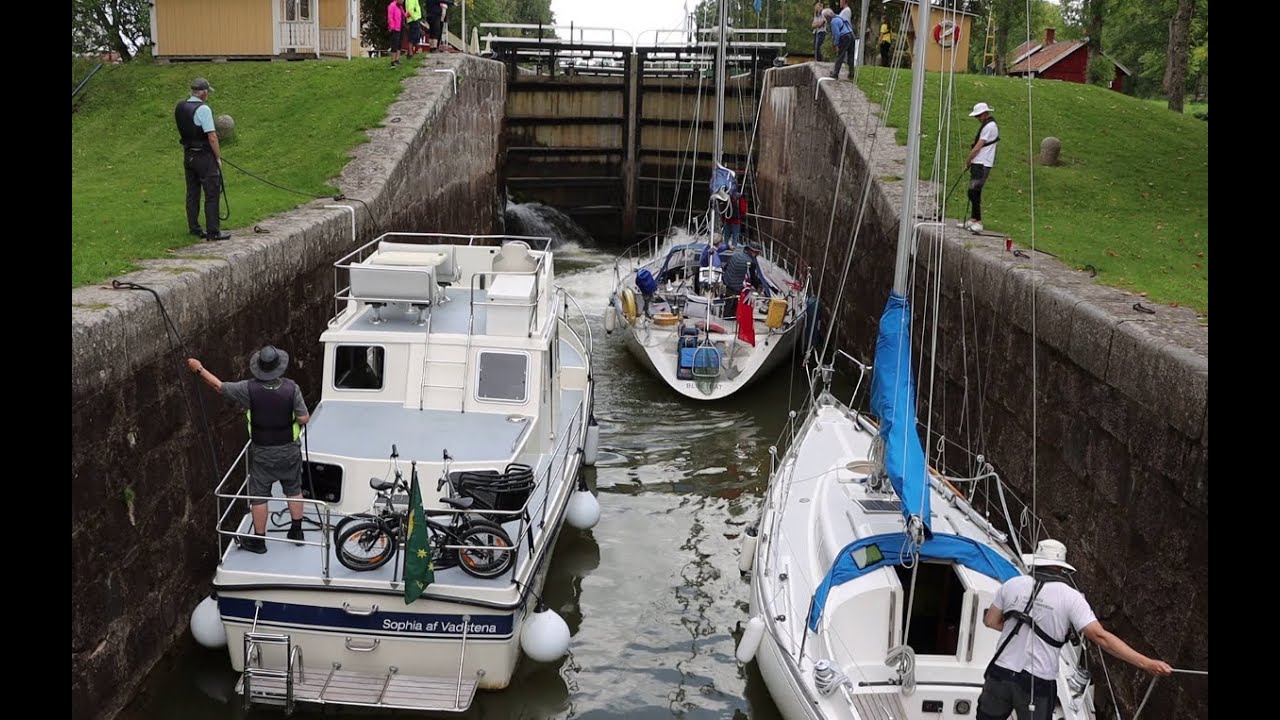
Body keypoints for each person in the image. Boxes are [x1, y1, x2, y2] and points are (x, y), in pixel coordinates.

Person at [977, 539, 1173, 720]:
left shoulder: (1011, 585)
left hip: (1000, 672)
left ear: (1036, 561)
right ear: (1061, 569)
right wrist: (1146, 663)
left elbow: (991, 621)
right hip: (1037, 681)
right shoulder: (1071, 597)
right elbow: (1100, 637)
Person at [187, 346, 311, 554]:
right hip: (289, 450)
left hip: (263, 452)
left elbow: (219, 386)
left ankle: (259, 541)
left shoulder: (248, 389)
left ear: (259, 368)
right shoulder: (292, 388)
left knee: (259, 495)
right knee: (294, 488)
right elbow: (304, 418)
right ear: (279, 367)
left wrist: (198, 369)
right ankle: (297, 531)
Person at [175, 78, 230, 241]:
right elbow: (212, 136)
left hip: (188, 154)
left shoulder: (180, 107)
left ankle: (194, 227)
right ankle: (213, 231)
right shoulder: (203, 109)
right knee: (212, 193)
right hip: (204, 156)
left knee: (192, 192)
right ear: (204, 92)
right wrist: (217, 157)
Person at [964, 102, 999, 233]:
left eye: (978, 116)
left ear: (984, 114)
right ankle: (973, 218)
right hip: (979, 162)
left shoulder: (989, 126)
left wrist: (968, 160)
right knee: (974, 191)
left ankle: (978, 221)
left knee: (974, 191)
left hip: (982, 163)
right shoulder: (987, 125)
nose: (977, 119)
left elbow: (978, 146)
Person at [824, 8, 854, 81]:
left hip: (844, 36)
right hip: (851, 34)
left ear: (828, 17)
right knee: (851, 55)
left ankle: (835, 74)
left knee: (840, 55)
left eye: (825, 17)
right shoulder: (839, 17)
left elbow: (836, 34)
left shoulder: (833, 22)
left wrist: (836, 44)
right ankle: (851, 74)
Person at [387, 0, 406, 67]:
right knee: (394, 44)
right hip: (395, 28)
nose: (403, 1)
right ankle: (393, 61)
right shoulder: (392, 6)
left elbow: (404, 14)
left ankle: (397, 59)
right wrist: (392, 27)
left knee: (399, 44)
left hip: (401, 27)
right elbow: (390, 17)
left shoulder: (400, 6)